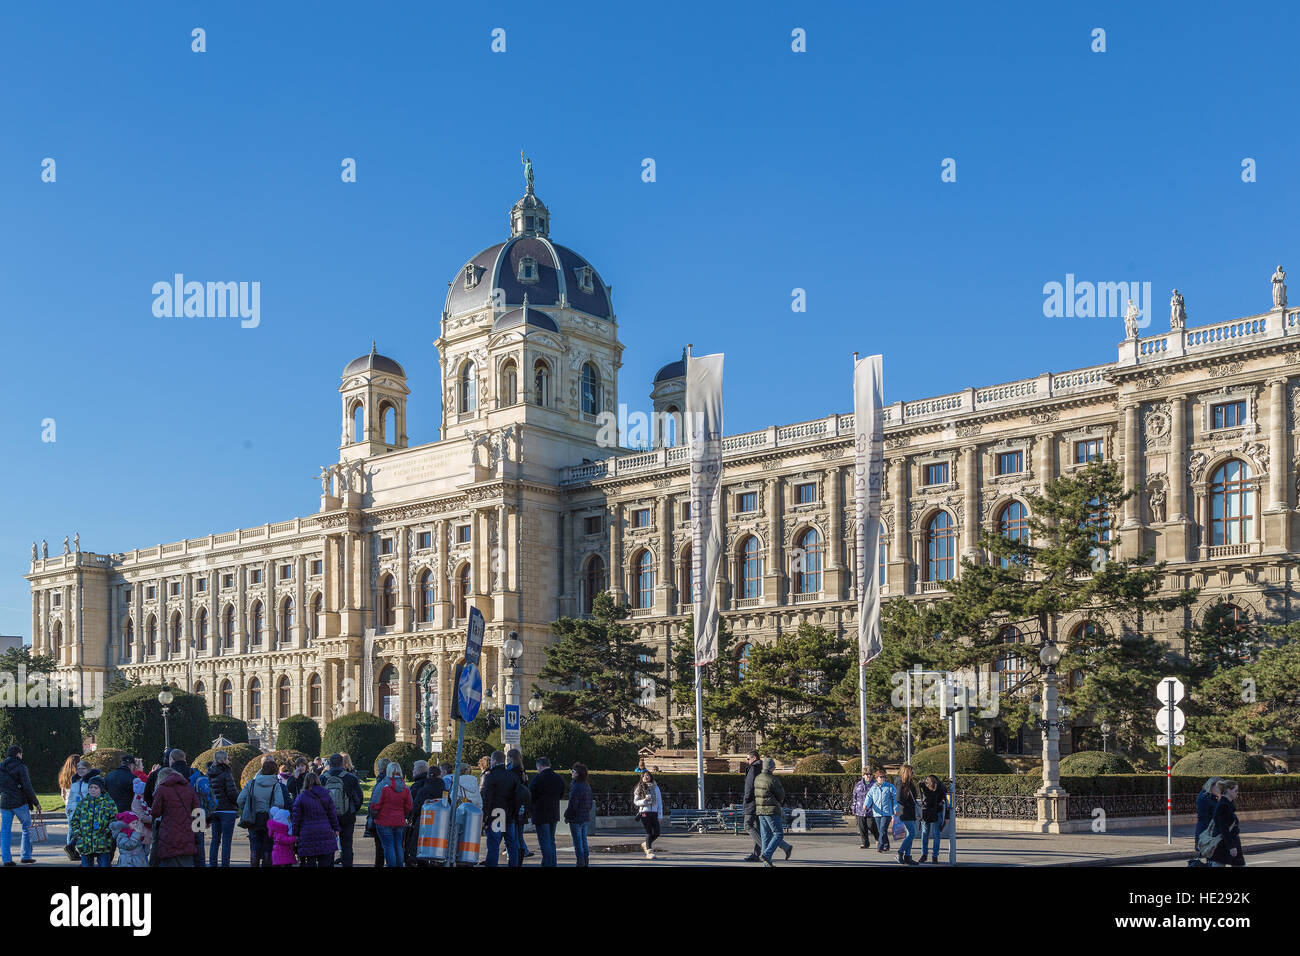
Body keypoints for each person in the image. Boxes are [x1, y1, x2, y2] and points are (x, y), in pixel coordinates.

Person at [238, 759, 292, 867]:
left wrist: (248, 807)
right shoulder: (276, 785)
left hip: (253, 818)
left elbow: (240, 800)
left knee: (254, 848)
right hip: (269, 819)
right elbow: (280, 803)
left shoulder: (251, 783)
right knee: (268, 848)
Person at [150, 766, 199, 866]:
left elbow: (155, 812)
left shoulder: (161, 789)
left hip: (168, 832)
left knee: (169, 861)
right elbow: (197, 810)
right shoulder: (189, 788)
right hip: (187, 831)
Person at [321, 753, 365, 867]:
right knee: (347, 845)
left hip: (328, 816)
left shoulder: (322, 778)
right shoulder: (350, 778)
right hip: (347, 815)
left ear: (329, 763)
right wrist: (353, 810)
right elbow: (359, 798)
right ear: (342, 763)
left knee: (328, 845)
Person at [0, 744, 39, 866]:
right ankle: (26, 856)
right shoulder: (21, 766)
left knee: (5, 831)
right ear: (18, 754)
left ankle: (6, 859)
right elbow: (27, 786)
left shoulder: (1, 767)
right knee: (27, 828)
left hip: (5, 802)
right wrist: (36, 802)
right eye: (21, 754)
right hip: (19, 802)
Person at [291, 771, 341, 867]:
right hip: (325, 830)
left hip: (307, 832)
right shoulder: (326, 795)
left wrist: (295, 834)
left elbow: (296, 818)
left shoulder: (301, 797)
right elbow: (332, 814)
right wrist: (336, 828)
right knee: (325, 860)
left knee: (310, 860)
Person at [480, 751, 520, 867]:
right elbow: (517, 796)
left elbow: (486, 799)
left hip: (495, 814)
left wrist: (485, 818)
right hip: (509, 814)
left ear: (494, 761)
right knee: (512, 845)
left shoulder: (490, 776)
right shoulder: (512, 776)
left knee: (493, 845)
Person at [370, 763, 412, 867]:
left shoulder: (383, 785)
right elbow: (409, 805)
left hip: (384, 821)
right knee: (398, 845)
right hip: (399, 820)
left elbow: (375, 804)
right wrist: (404, 814)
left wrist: (375, 814)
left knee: (388, 846)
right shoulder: (405, 787)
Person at [69, 777, 117, 867]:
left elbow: (114, 820)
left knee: (104, 864)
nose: (92, 790)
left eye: (95, 787)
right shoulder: (82, 803)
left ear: (101, 789)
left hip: (103, 842)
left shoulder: (109, 803)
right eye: (90, 787)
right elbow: (74, 820)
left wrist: (107, 832)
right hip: (85, 842)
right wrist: (78, 834)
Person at [752, 758, 792, 866]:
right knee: (778, 834)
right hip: (771, 810)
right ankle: (767, 855)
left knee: (765, 836)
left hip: (760, 810)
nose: (774, 768)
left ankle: (766, 863)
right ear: (770, 767)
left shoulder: (757, 778)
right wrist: (778, 802)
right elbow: (781, 795)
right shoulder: (772, 779)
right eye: (774, 766)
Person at [206, 750, 241, 867]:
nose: (229, 760)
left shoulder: (209, 773)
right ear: (223, 760)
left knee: (215, 841)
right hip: (227, 810)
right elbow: (231, 793)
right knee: (226, 842)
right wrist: (238, 801)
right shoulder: (226, 773)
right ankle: (225, 864)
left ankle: (212, 864)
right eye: (227, 758)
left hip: (214, 810)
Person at [529, 757, 564, 867]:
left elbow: (530, 794)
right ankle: (553, 863)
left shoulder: (538, 779)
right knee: (551, 841)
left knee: (544, 842)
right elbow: (561, 794)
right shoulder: (558, 778)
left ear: (539, 766)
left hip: (540, 814)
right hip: (554, 813)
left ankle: (547, 863)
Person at [405, 760, 442, 866]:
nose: (412, 771)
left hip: (421, 821)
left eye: (414, 769)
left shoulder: (418, 786)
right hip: (437, 823)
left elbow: (415, 805)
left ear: (418, 771)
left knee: (416, 847)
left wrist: (410, 816)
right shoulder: (437, 786)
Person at [64, 759, 101, 860]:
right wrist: (68, 809)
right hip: (75, 810)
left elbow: (96, 795)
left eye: (83, 768)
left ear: (88, 770)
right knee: (73, 829)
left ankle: (74, 847)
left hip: (87, 810)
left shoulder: (93, 780)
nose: (80, 770)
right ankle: (71, 849)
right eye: (79, 768)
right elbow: (71, 796)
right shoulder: (75, 781)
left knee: (85, 830)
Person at [1208, 780, 1244, 868]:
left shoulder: (1228, 803)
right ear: (1228, 790)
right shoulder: (1223, 805)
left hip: (1228, 842)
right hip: (1225, 843)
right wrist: (1231, 847)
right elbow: (1223, 828)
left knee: (1237, 864)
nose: (1237, 793)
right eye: (1235, 790)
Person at [564, 763, 593, 868]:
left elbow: (573, 804)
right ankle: (585, 860)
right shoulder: (586, 785)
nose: (572, 773)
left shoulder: (575, 786)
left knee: (577, 842)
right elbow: (590, 803)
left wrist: (567, 816)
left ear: (577, 774)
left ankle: (580, 862)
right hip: (585, 816)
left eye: (573, 771)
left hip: (576, 818)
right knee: (583, 840)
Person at [507, 748, 533, 859]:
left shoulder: (512, 771)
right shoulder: (522, 771)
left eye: (508, 757)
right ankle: (524, 850)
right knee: (519, 834)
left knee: (514, 834)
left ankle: (520, 852)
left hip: (514, 806)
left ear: (511, 758)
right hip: (523, 805)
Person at [366, 757, 392, 868]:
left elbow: (374, 801)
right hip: (393, 817)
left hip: (380, 817)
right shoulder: (395, 781)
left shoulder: (381, 781)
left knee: (380, 847)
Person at [632, 771, 663, 860]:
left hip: (654, 812)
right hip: (644, 812)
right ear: (642, 778)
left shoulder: (656, 787)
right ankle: (649, 852)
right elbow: (635, 801)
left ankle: (646, 843)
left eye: (647, 775)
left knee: (657, 833)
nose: (646, 777)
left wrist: (660, 815)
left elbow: (660, 802)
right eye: (644, 776)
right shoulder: (639, 787)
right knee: (649, 832)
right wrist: (644, 801)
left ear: (650, 777)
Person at [918, 774, 948, 864]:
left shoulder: (941, 787)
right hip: (926, 811)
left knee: (935, 834)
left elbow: (947, 802)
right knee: (925, 834)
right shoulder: (923, 785)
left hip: (936, 812)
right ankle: (925, 854)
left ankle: (934, 856)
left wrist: (946, 818)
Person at [1192, 777, 1222, 866]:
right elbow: (1203, 817)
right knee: (1213, 859)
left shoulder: (1213, 797)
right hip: (1206, 832)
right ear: (1212, 786)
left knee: (1214, 860)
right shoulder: (1203, 797)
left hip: (1214, 832)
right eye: (1219, 787)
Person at [867, 769, 897, 853]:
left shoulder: (890, 786)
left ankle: (879, 846)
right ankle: (886, 845)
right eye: (880, 777)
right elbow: (869, 797)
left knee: (883, 828)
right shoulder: (873, 788)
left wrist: (895, 809)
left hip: (887, 812)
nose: (882, 778)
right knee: (881, 830)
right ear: (876, 778)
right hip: (877, 812)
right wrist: (866, 805)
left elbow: (895, 798)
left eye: (884, 777)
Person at [740, 750, 763, 862]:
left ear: (754, 758)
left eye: (748, 758)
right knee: (758, 827)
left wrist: (746, 800)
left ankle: (765, 848)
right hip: (760, 801)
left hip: (752, 803)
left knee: (747, 825)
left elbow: (749, 787)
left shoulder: (753, 768)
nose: (747, 761)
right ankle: (756, 854)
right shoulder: (763, 768)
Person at [895, 764, 920, 865]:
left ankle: (908, 856)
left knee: (910, 834)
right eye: (912, 772)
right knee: (912, 833)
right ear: (907, 772)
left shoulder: (910, 784)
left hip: (911, 812)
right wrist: (908, 804)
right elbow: (899, 799)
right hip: (905, 812)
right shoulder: (901, 783)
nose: (913, 774)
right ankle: (900, 853)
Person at [851, 766, 879, 850]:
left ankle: (878, 839)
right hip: (860, 810)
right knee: (862, 828)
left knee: (871, 825)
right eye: (866, 774)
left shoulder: (875, 784)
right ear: (863, 775)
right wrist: (854, 808)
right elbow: (854, 797)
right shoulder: (858, 784)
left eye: (870, 774)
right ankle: (865, 843)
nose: (868, 776)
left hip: (871, 810)